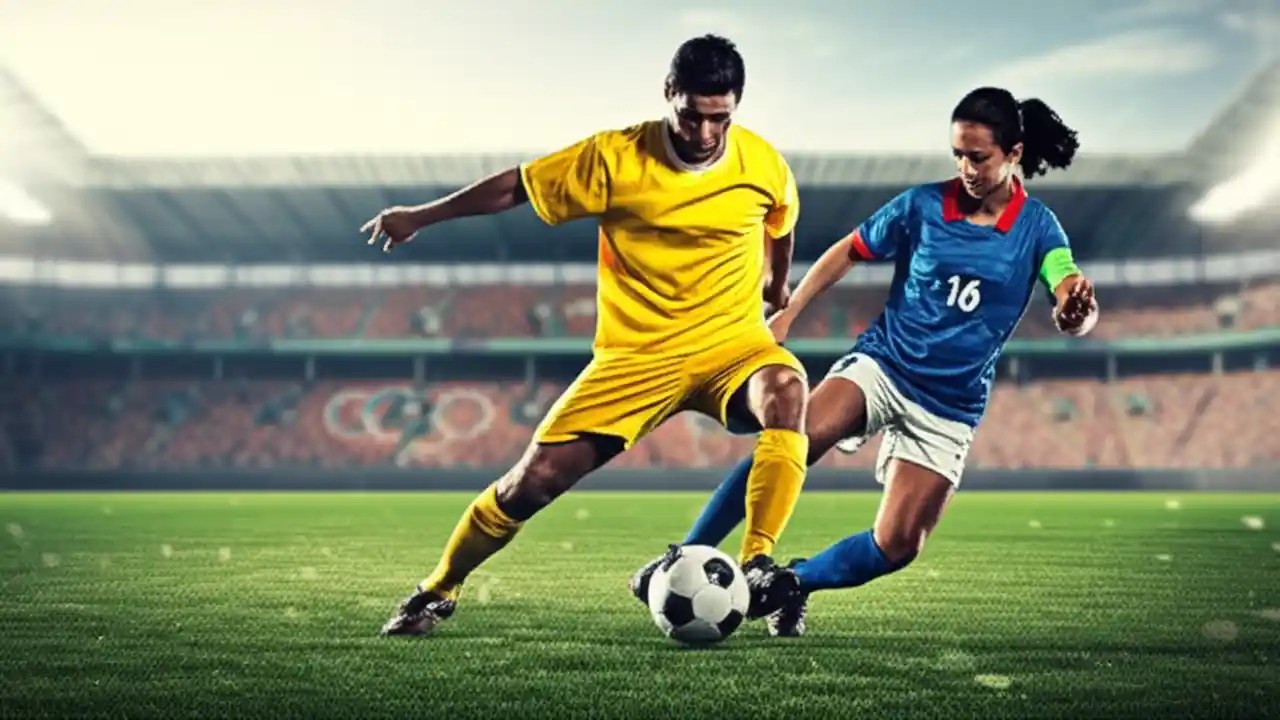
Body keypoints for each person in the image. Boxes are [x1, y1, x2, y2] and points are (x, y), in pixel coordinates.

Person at [369, 35, 812, 637]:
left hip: (731, 345)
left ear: (735, 107)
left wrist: (776, 287)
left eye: (720, 119)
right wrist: (419, 217)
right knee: (532, 484)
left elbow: (781, 222)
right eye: (691, 115)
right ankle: (436, 590)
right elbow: (514, 188)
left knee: (786, 388)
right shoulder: (613, 157)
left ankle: (757, 563)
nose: (706, 134)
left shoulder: (762, 162)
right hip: (636, 358)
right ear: (668, 95)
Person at [630, 86, 1100, 637]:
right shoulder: (922, 205)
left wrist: (1075, 313)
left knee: (899, 545)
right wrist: (788, 313)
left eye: (979, 157)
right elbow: (847, 250)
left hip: (951, 404)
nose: (966, 168)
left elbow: (1068, 286)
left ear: (1014, 154)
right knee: (792, 436)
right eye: (957, 154)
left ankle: (792, 584)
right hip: (884, 365)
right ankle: (684, 556)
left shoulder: (1039, 228)